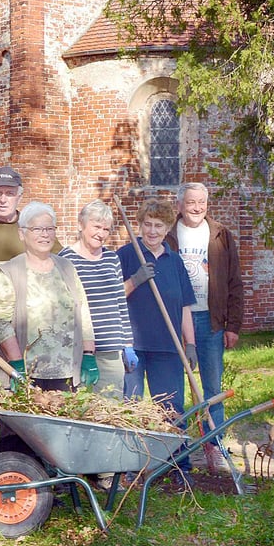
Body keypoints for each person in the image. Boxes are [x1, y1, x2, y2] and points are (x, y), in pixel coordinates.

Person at [0, 166, 60, 462]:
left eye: (9, 193)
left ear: (19, 195)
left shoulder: (33, 229)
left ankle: (24, 460)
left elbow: (59, 266)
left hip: (25, 329)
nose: (3, 199)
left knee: (21, 393)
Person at [166, 182, 244, 474]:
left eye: (201, 202)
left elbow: (235, 281)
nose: (197, 208)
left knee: (212, 389)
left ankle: (215, 447)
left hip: (211, 320)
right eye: (191, 202)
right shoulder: (169, 235)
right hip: (176, 320)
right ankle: (177, 450)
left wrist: (232, 324)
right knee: (174, 388)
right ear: (179, 205)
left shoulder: (221, 235)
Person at [118, 198, 196, 474]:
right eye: (148, 224)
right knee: (130, 406)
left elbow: (185, 305)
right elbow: (112, 297)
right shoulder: (126, 255)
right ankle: (128, 467)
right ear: (139, 225)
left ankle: (178, 465)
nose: (152, 231)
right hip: (133, 347)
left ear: (167, 228)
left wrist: (190, 344)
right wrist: (135, 280)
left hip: (168, 348)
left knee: (172, 407)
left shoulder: (175, 261)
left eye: (158, 226)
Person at [0, 202, 96, 390]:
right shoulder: (9, 272)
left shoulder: (67, 267)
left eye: (49, 229)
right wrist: (16, 364)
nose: (45, 234)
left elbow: (83, 312)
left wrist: (89, 354)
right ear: (22, 234)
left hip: (66, 372)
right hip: (27, 373)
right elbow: (1, 323)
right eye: (37, 229)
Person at [59, 200, 135, 399]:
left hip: (111, 349)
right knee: (80, 406)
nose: (101, 233)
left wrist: (127, 343)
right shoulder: (65, 259)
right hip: (79, 351)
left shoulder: (112, 259)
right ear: (81, 225)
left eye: (106, 229)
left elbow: (120, 303)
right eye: (96, 227)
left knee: (111, 406)